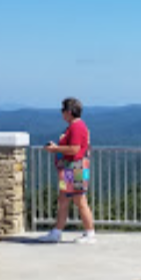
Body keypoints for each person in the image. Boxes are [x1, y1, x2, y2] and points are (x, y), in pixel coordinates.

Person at [40, 97, 96, 244]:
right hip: (71, 168)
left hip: (75, 167)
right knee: (64, 200)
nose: (62, 113)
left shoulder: (76, 127)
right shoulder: (75, 126)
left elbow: (74, 149)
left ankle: (90, 233)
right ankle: (57, 232)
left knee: (80, 200)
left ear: (69, 112)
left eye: (63, 110)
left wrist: (55, 149)